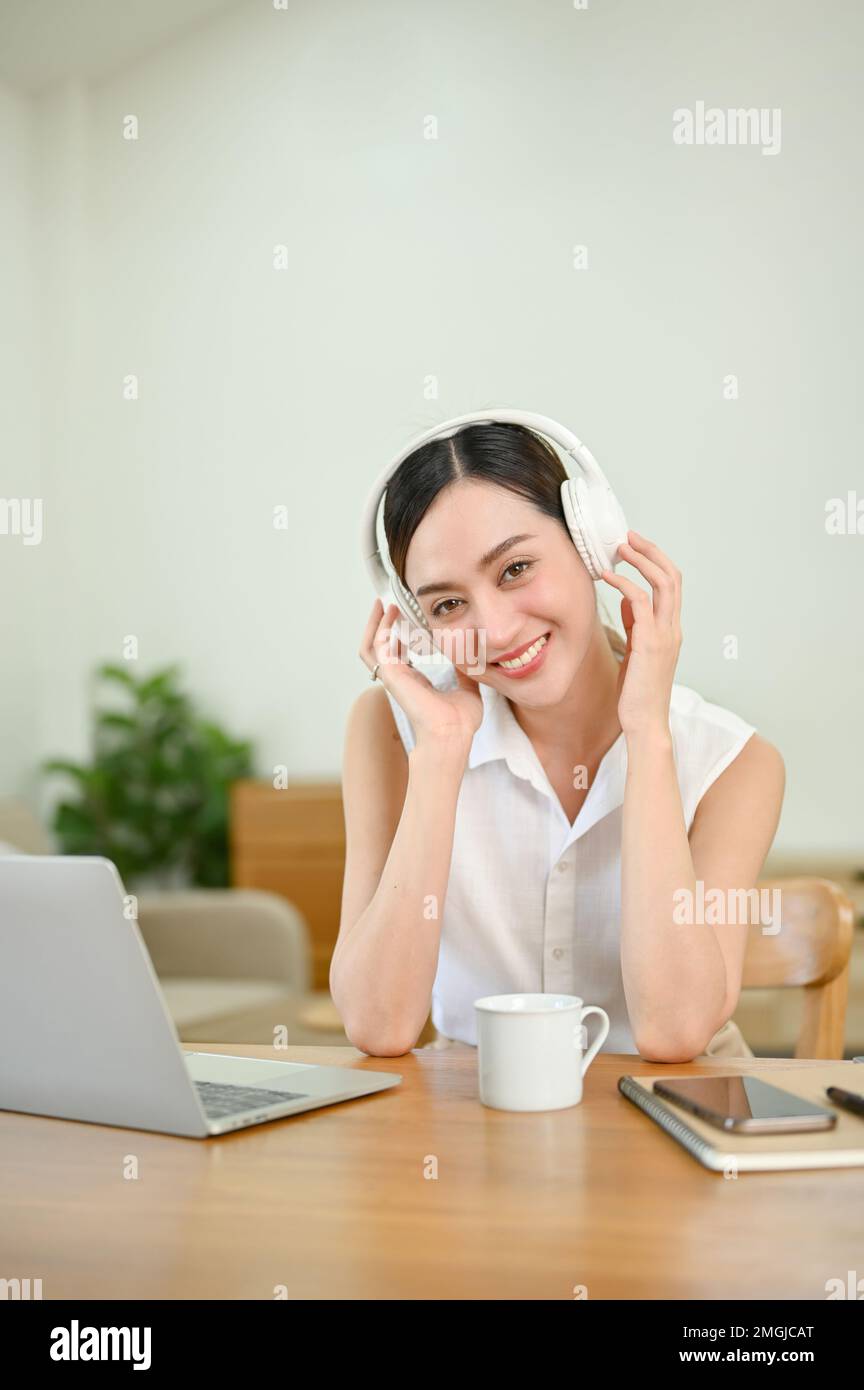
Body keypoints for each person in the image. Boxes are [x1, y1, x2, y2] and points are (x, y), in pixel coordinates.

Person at [331, 421, 785, 1060]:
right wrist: (439, 755)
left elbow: (677, 1031)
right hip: (479, 1119)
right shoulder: (390, 731)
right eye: (447, 606)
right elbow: (378, 1026)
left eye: (515, 568)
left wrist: (646, 737)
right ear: (417, 624)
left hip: (668, 1118)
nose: (493, 628)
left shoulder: (733, 763)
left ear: (591, 547)